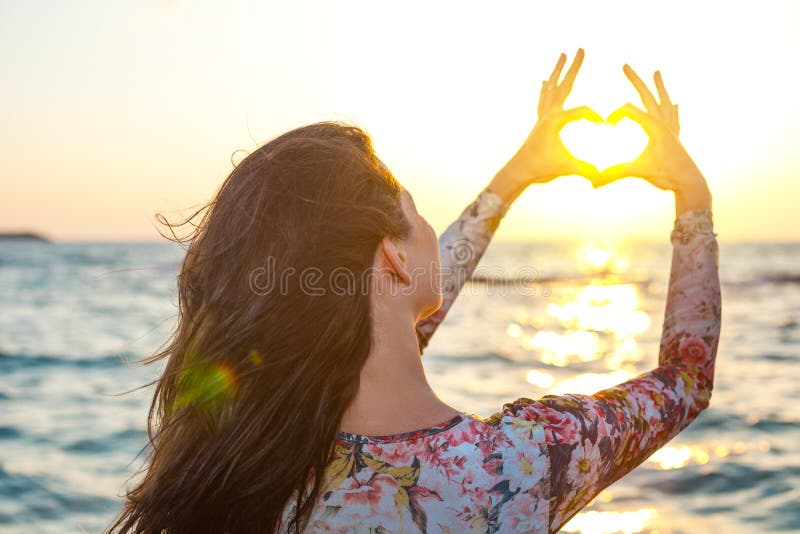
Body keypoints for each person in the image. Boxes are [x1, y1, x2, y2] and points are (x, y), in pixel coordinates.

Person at [107, 49, 721, 533]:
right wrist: (693, 199)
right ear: (395, 257)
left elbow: (377, 322)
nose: (432, 229)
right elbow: (686, 380)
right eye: (417, 212)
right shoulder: (520, 466)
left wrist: (517, 175)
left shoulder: (243, 464)